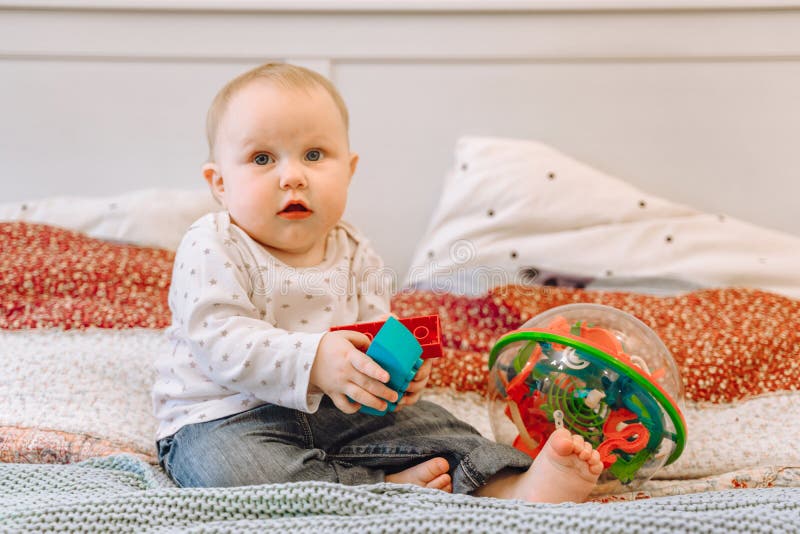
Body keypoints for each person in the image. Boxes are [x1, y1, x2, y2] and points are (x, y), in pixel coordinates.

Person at [152, 62, 603, 502]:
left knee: (436, 425)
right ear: (220, 183)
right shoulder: (212, 243)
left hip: (337, 410)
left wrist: (392, 377)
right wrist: (314, 361)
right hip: (225, 418)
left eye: (313, 155)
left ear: (348, 169)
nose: (293, 176)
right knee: (233, 470)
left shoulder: (354, 248)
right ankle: (377, 489)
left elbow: (375, 329)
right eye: (262, 158)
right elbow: (220, 342)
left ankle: (509, 484)